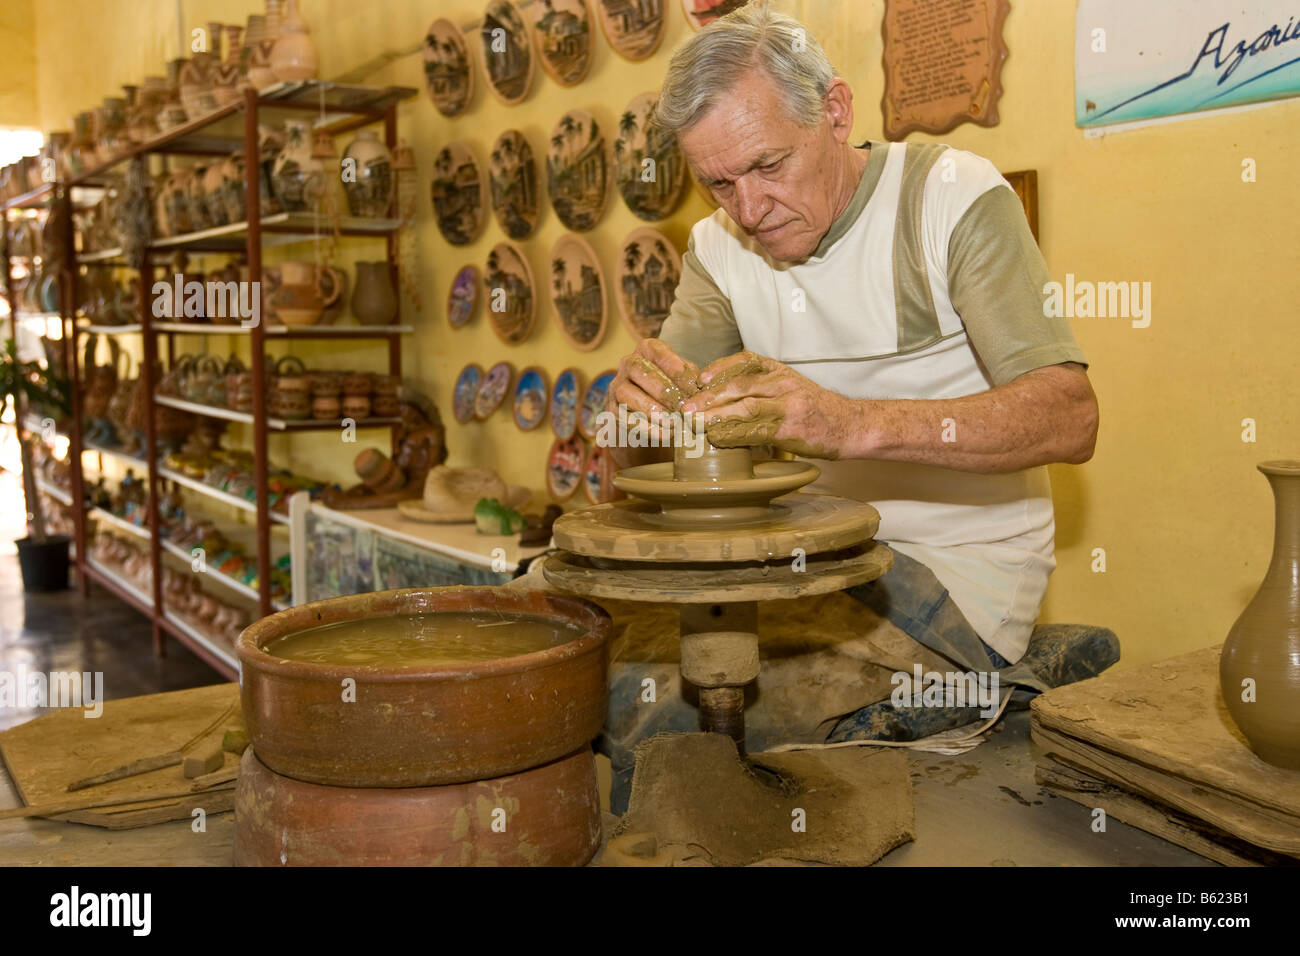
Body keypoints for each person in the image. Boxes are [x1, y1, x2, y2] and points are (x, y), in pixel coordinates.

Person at [599, 2, 1107, 802]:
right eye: (718, 183)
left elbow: (1070, 416)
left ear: (835, 111)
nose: (749, 208)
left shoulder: (948, 198)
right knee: (568, 652)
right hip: (798, 570)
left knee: (686, 732)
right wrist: (628, 415)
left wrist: (847, 424)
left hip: (952, 584)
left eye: (768, 165)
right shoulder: (719, 247)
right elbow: (644, 446)